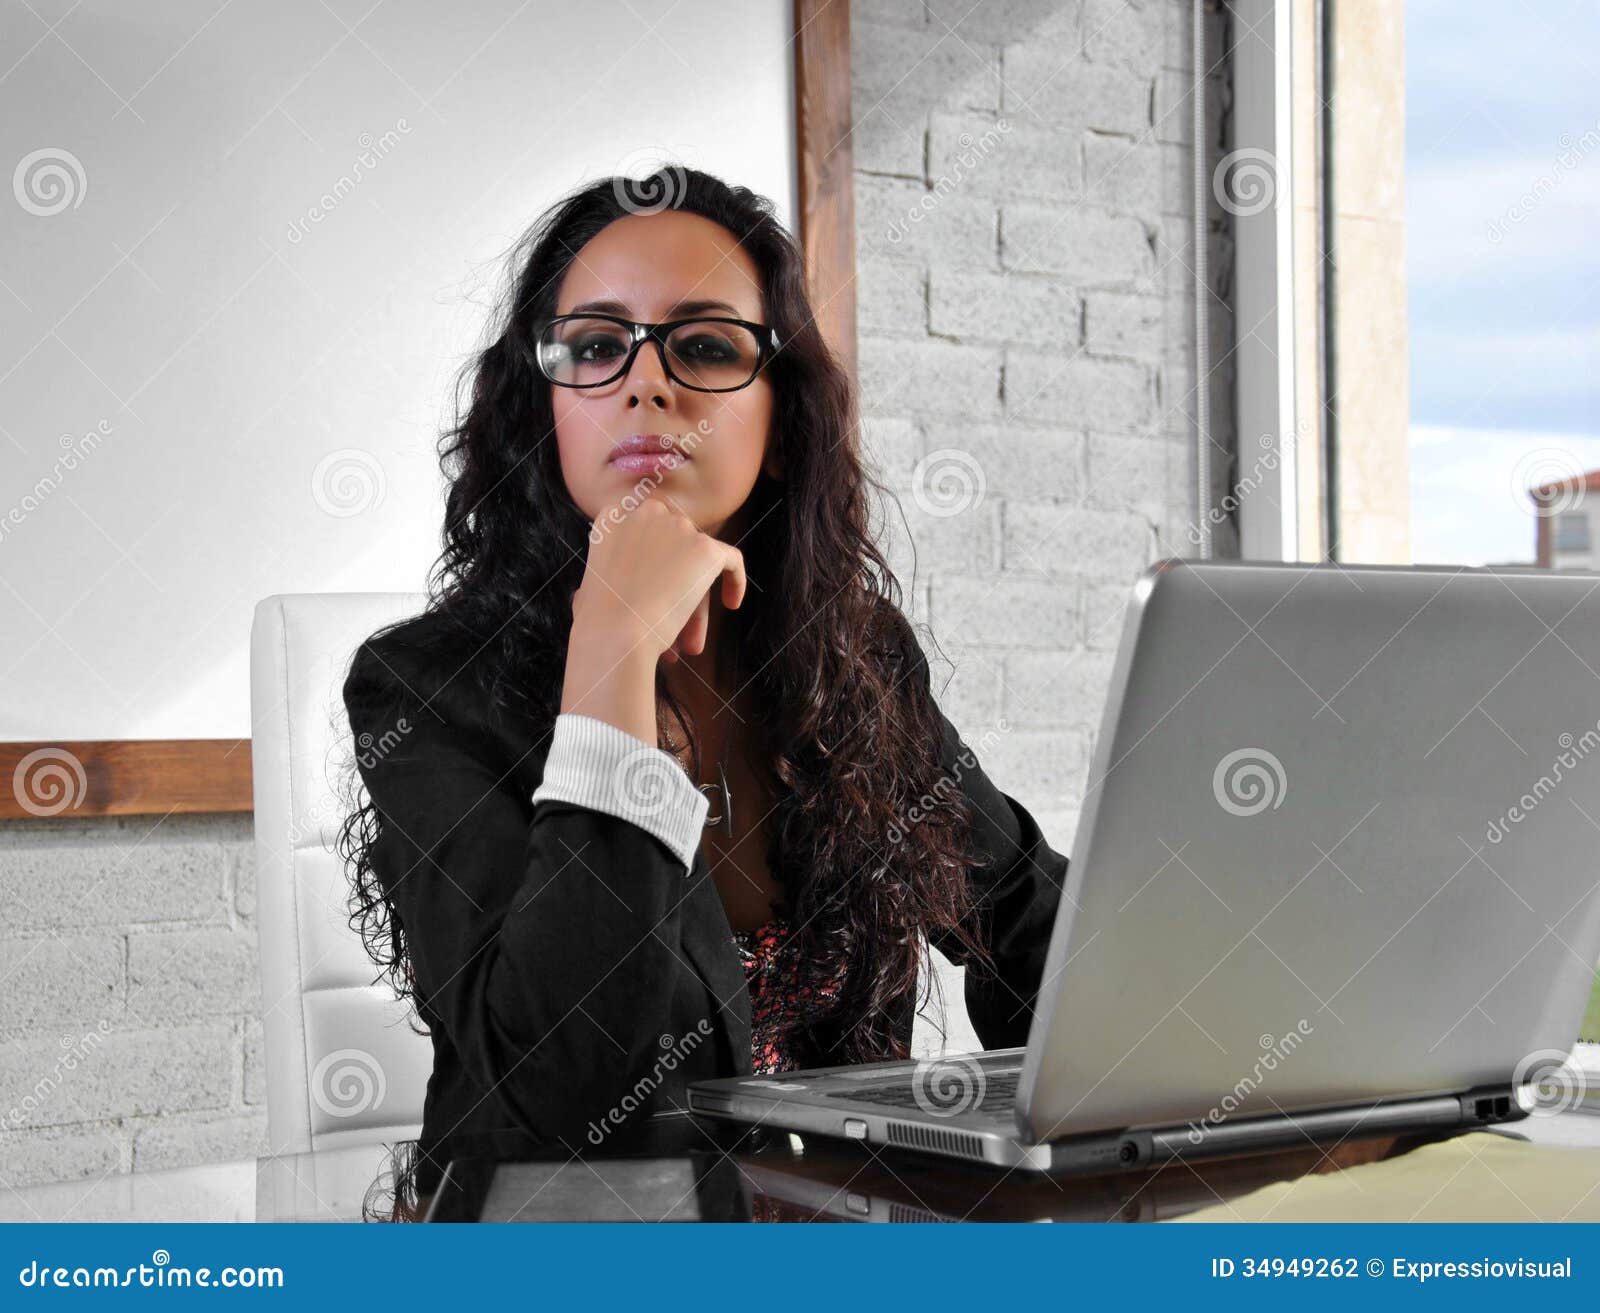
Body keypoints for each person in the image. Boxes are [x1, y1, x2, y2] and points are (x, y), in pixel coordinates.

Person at [338, 167, 1069, 1222]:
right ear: (540, 409)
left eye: (707, 346)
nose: (645, 383)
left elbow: (1031, 932)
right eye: (594, 345)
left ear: (782, 421)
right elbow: (569, 1099)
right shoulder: (426, 685)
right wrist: (611, 647)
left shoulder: (856, 657)